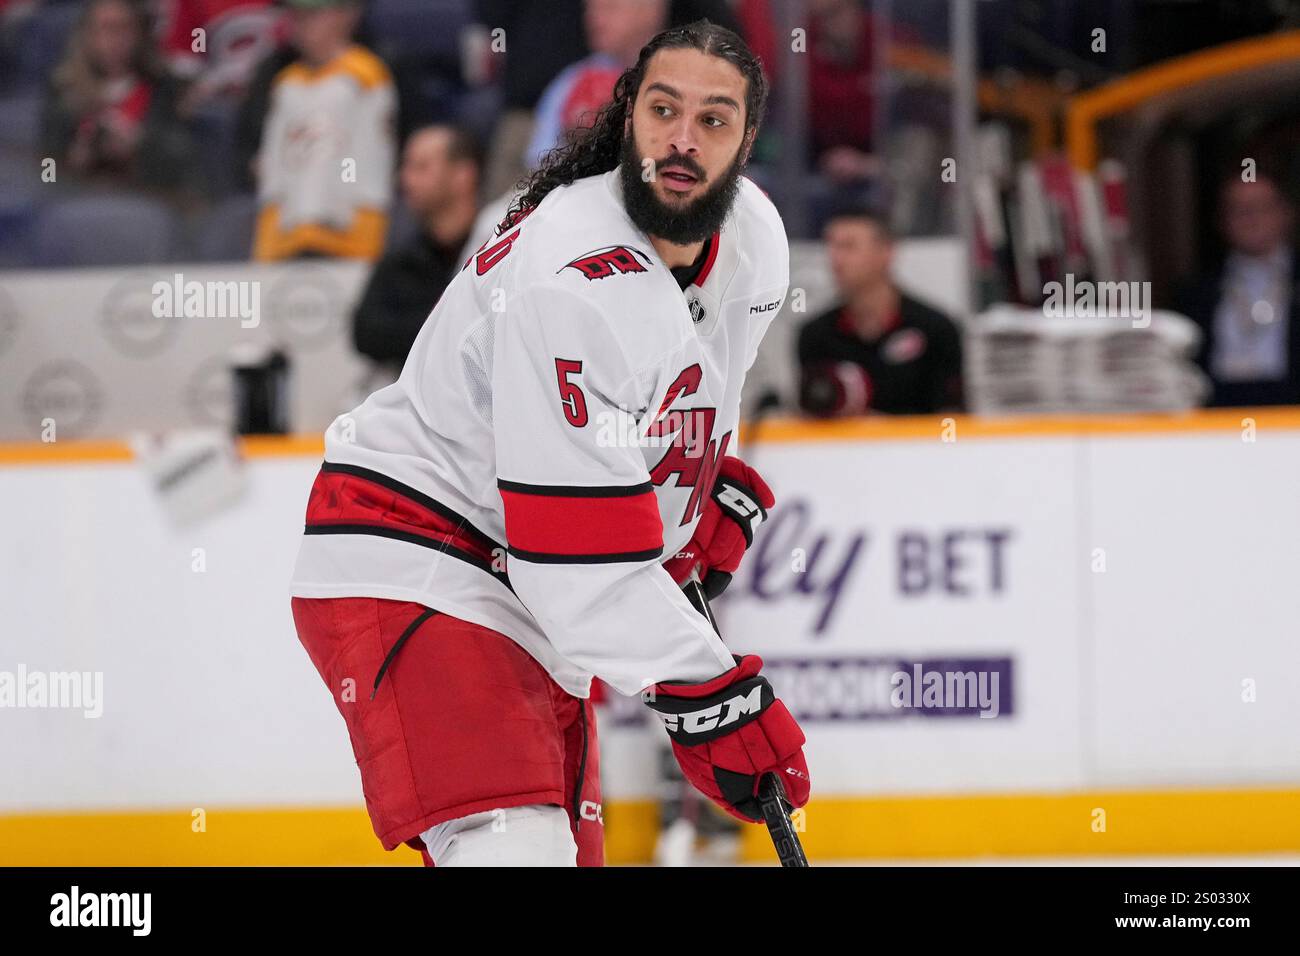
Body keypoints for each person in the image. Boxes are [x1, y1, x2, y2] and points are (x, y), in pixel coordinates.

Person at [289, 19, 810, 867]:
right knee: (516, 849)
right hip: (420, 551)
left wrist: (687, 502)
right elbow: (576, 565)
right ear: (627, 116)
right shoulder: (575, 274)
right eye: (663, 110)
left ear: (747, 141)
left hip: (518, 582)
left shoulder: (755, 237)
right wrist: (711, 697)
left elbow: (697, 388)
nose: (682, 139)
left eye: (713, 119)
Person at [251, 0, 396, 261]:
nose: (302, 25)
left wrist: (366, 233)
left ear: (345, 16)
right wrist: (268, 241)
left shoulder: (366, 75)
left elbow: (371, 163)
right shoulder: (285, 83)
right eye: (297, 16)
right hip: (288, 236)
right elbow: (274, 171)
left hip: (347, 237)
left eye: (313, 15)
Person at [798, 206, 963, 415]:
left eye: (848, 246)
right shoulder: (816, 335)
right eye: (831, 246)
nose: (836, 258)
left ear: (886, 252)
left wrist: (884, 430)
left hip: (917, 437)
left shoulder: (935, 330)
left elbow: (951, 414)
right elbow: (809, 413)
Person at [352, 125, 483, 379]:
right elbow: (366, 332)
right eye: (406, 167)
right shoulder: (402, 260)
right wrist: (450, 325)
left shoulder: (497, 244)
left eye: (421, 167)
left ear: (463, 175)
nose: (406, 180)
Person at [41, 0, 197, 191]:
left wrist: (140, 145)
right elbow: (46, 167)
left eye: (124, 29)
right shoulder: (63, 88)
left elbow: (184, 162)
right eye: (106, 28)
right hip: (76, 195)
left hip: (144, 195)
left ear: (141, 33)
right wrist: (71, 160)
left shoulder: (164, 88)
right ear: (87, 34)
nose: (114, 40)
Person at [1177, 172, 1300, 407]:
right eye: (1239, 210)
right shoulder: (1196, 291)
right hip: (1217, 412)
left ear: (1286, 213)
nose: (1252, 218)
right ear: (1221, 221)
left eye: (1262, 207)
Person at [524, 0, 668, 169]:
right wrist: (574, 138)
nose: (594, 19)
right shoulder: (574, 79)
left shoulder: (684, 75)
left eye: (610, 8)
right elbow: (540, 161)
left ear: (650, 13)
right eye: (590, 10)